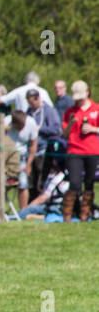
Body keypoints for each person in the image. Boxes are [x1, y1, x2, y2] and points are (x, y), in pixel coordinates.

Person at [61, 80, 99, 222]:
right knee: (75, 183)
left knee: (89, 183)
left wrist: (93, 129)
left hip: (92, 151)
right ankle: (67, 215)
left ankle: (85, 214)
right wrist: (71, 123)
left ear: (87, 92)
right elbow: (64, 134)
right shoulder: (70, 111)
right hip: (74, 151)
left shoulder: (96, 109)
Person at [25, 88, 63, 195]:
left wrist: (40, 129)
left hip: (44, 151)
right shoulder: (29, 112)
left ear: (37, 99)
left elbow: (57, 130)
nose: (31, 105)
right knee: (31, 182)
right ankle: (30, 207)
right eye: (29, 103)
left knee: (42, 181)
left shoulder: (49, 111)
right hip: (31, 151)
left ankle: (43, 205)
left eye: (32, 102)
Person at [4, 109, 39, 208]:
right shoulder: (6, 123)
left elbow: (33, 146)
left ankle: (23, 211)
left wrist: (28, 165)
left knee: (23, 183)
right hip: (6, 158)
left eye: (22, 126)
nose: (21, 128)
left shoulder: (31, 123)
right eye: (18, 126)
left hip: (22, 157)